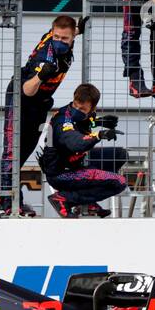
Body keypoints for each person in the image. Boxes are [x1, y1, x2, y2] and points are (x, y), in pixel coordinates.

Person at [0, 14, 79, 216]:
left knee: (26, 148)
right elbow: (27, 89)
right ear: (52, 35)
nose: (60, 42)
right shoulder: (46, 56)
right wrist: (41, 75)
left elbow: (69, 30)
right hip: (22, 97)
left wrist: (79, 27)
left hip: (40, 103)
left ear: (73, 37)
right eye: (57, 38)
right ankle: (7, 197)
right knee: (13, 149)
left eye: (65, 39)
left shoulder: (65, 36)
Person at [39, 83, 129, 218]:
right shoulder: (63, 120)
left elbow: (87, 121)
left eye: (82, 108)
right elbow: (76, 143)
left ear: (92, 108)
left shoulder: (85, 115)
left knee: (120, 155)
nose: (77, 109)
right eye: (75, 105)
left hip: (77, 164)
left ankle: (87, 200)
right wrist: (99, 135)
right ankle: (65, 198)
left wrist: (100, 122)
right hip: (61, 174)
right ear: (73, 99)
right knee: (120, 182)